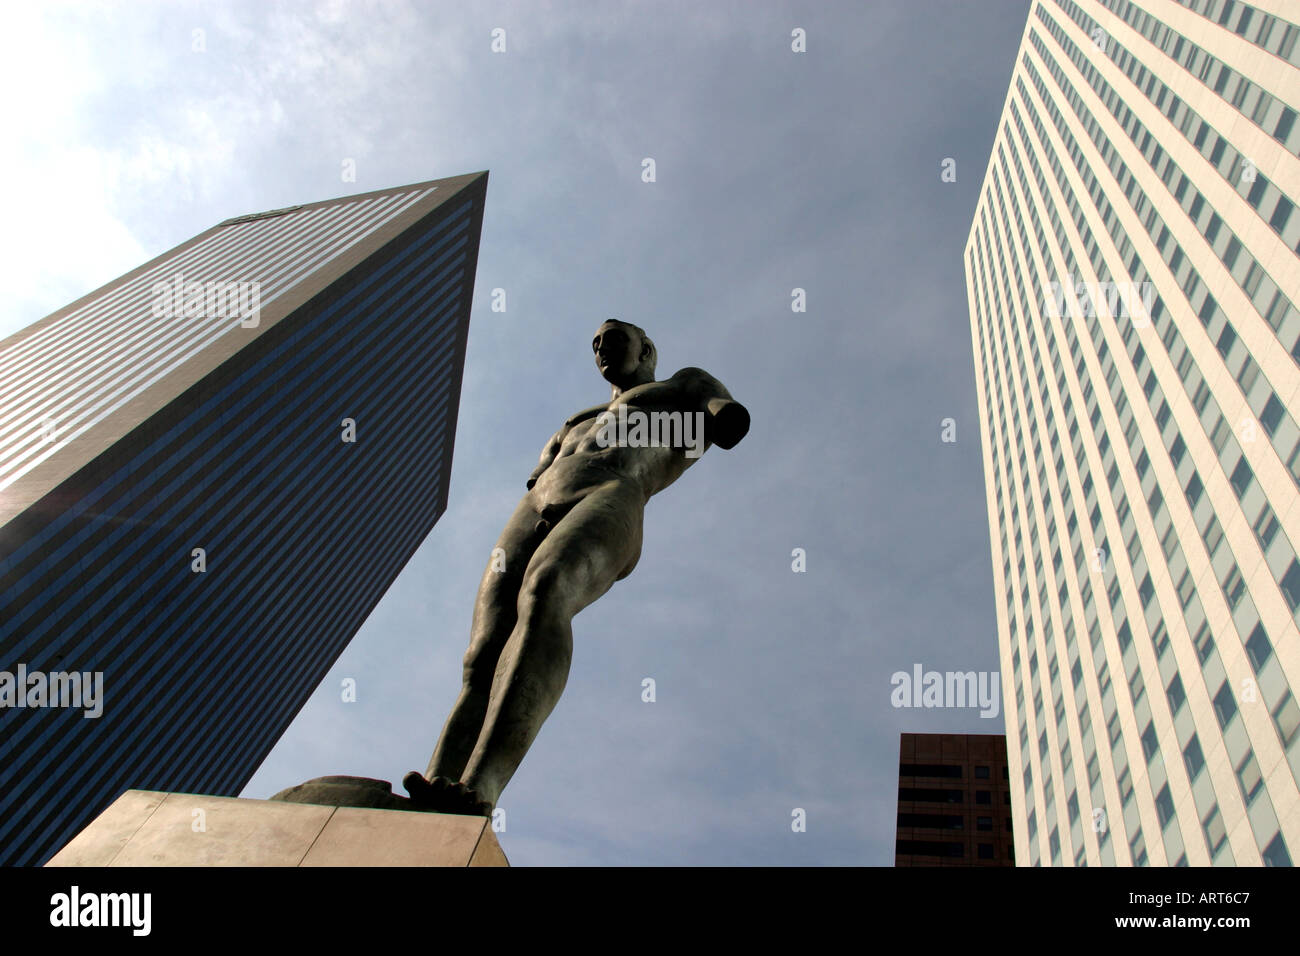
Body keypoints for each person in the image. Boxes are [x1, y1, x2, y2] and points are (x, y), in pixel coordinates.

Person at [404, 319, 749, 815]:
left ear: (646, 348)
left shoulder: (681, 386)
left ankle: (481, 787)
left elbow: (723, 417)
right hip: (537, 504)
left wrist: (716, 415)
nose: (601, 350)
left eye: (612, 340)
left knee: (548, 590)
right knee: (482, 654)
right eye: (595, 345)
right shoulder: (576, 418)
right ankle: (436, 784)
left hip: (613, 491)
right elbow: (538, 477)